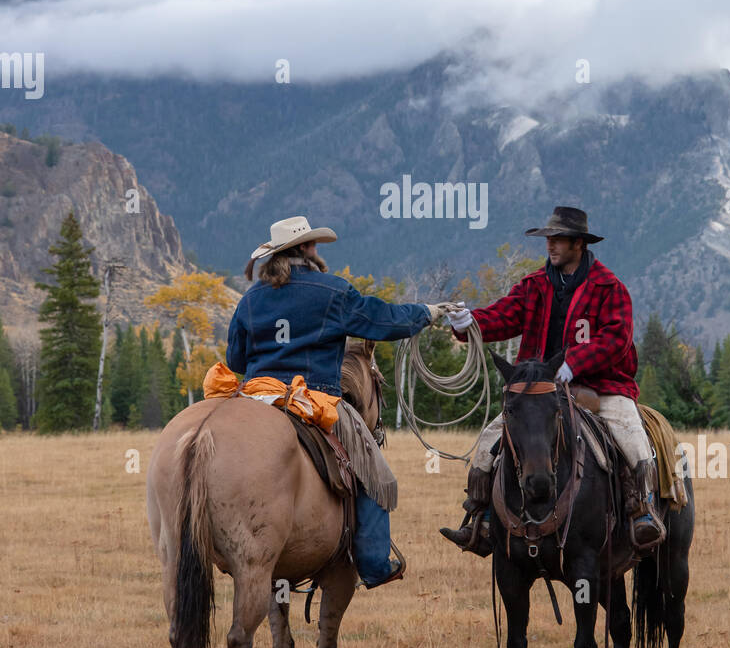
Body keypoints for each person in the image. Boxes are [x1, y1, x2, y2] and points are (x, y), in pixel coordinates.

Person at [226, 215, 449, 588]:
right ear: (305, 250)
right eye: (314, 244)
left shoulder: (251, 300)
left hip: (256, 398)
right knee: (376, 474)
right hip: (315, 397)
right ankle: (375, 561)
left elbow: (235, 360)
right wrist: (426, 313)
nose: (318, 251)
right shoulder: (332, 291)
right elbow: (384, 321)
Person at [439, 204, 665, 556]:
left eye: (558, 239)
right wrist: (471, 323)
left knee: (631, 437)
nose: (550, 245)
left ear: (579, 244)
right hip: (539, 391)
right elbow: (503, 315)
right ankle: (481, 520)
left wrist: (575, 363)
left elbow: (617, 338)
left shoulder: (610, 288)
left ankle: (642, 512)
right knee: (487, 443)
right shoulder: (534, 286)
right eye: (549, 239)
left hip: (603, 387)